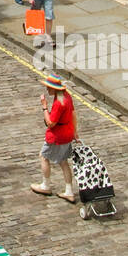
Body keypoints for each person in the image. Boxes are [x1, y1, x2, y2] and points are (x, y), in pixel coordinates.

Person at [31, 73, 77, 201]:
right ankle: (69, 192)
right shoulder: (67, 96)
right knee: (63, 162)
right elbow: (73, 114)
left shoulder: (58, 104)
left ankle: (45, 186)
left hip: (57, 136)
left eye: (49, 87)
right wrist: (75, 132)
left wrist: (44, 107)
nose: (47, 89)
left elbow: (51, 123)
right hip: (67, 133)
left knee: (44, 156)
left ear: (55, 89)